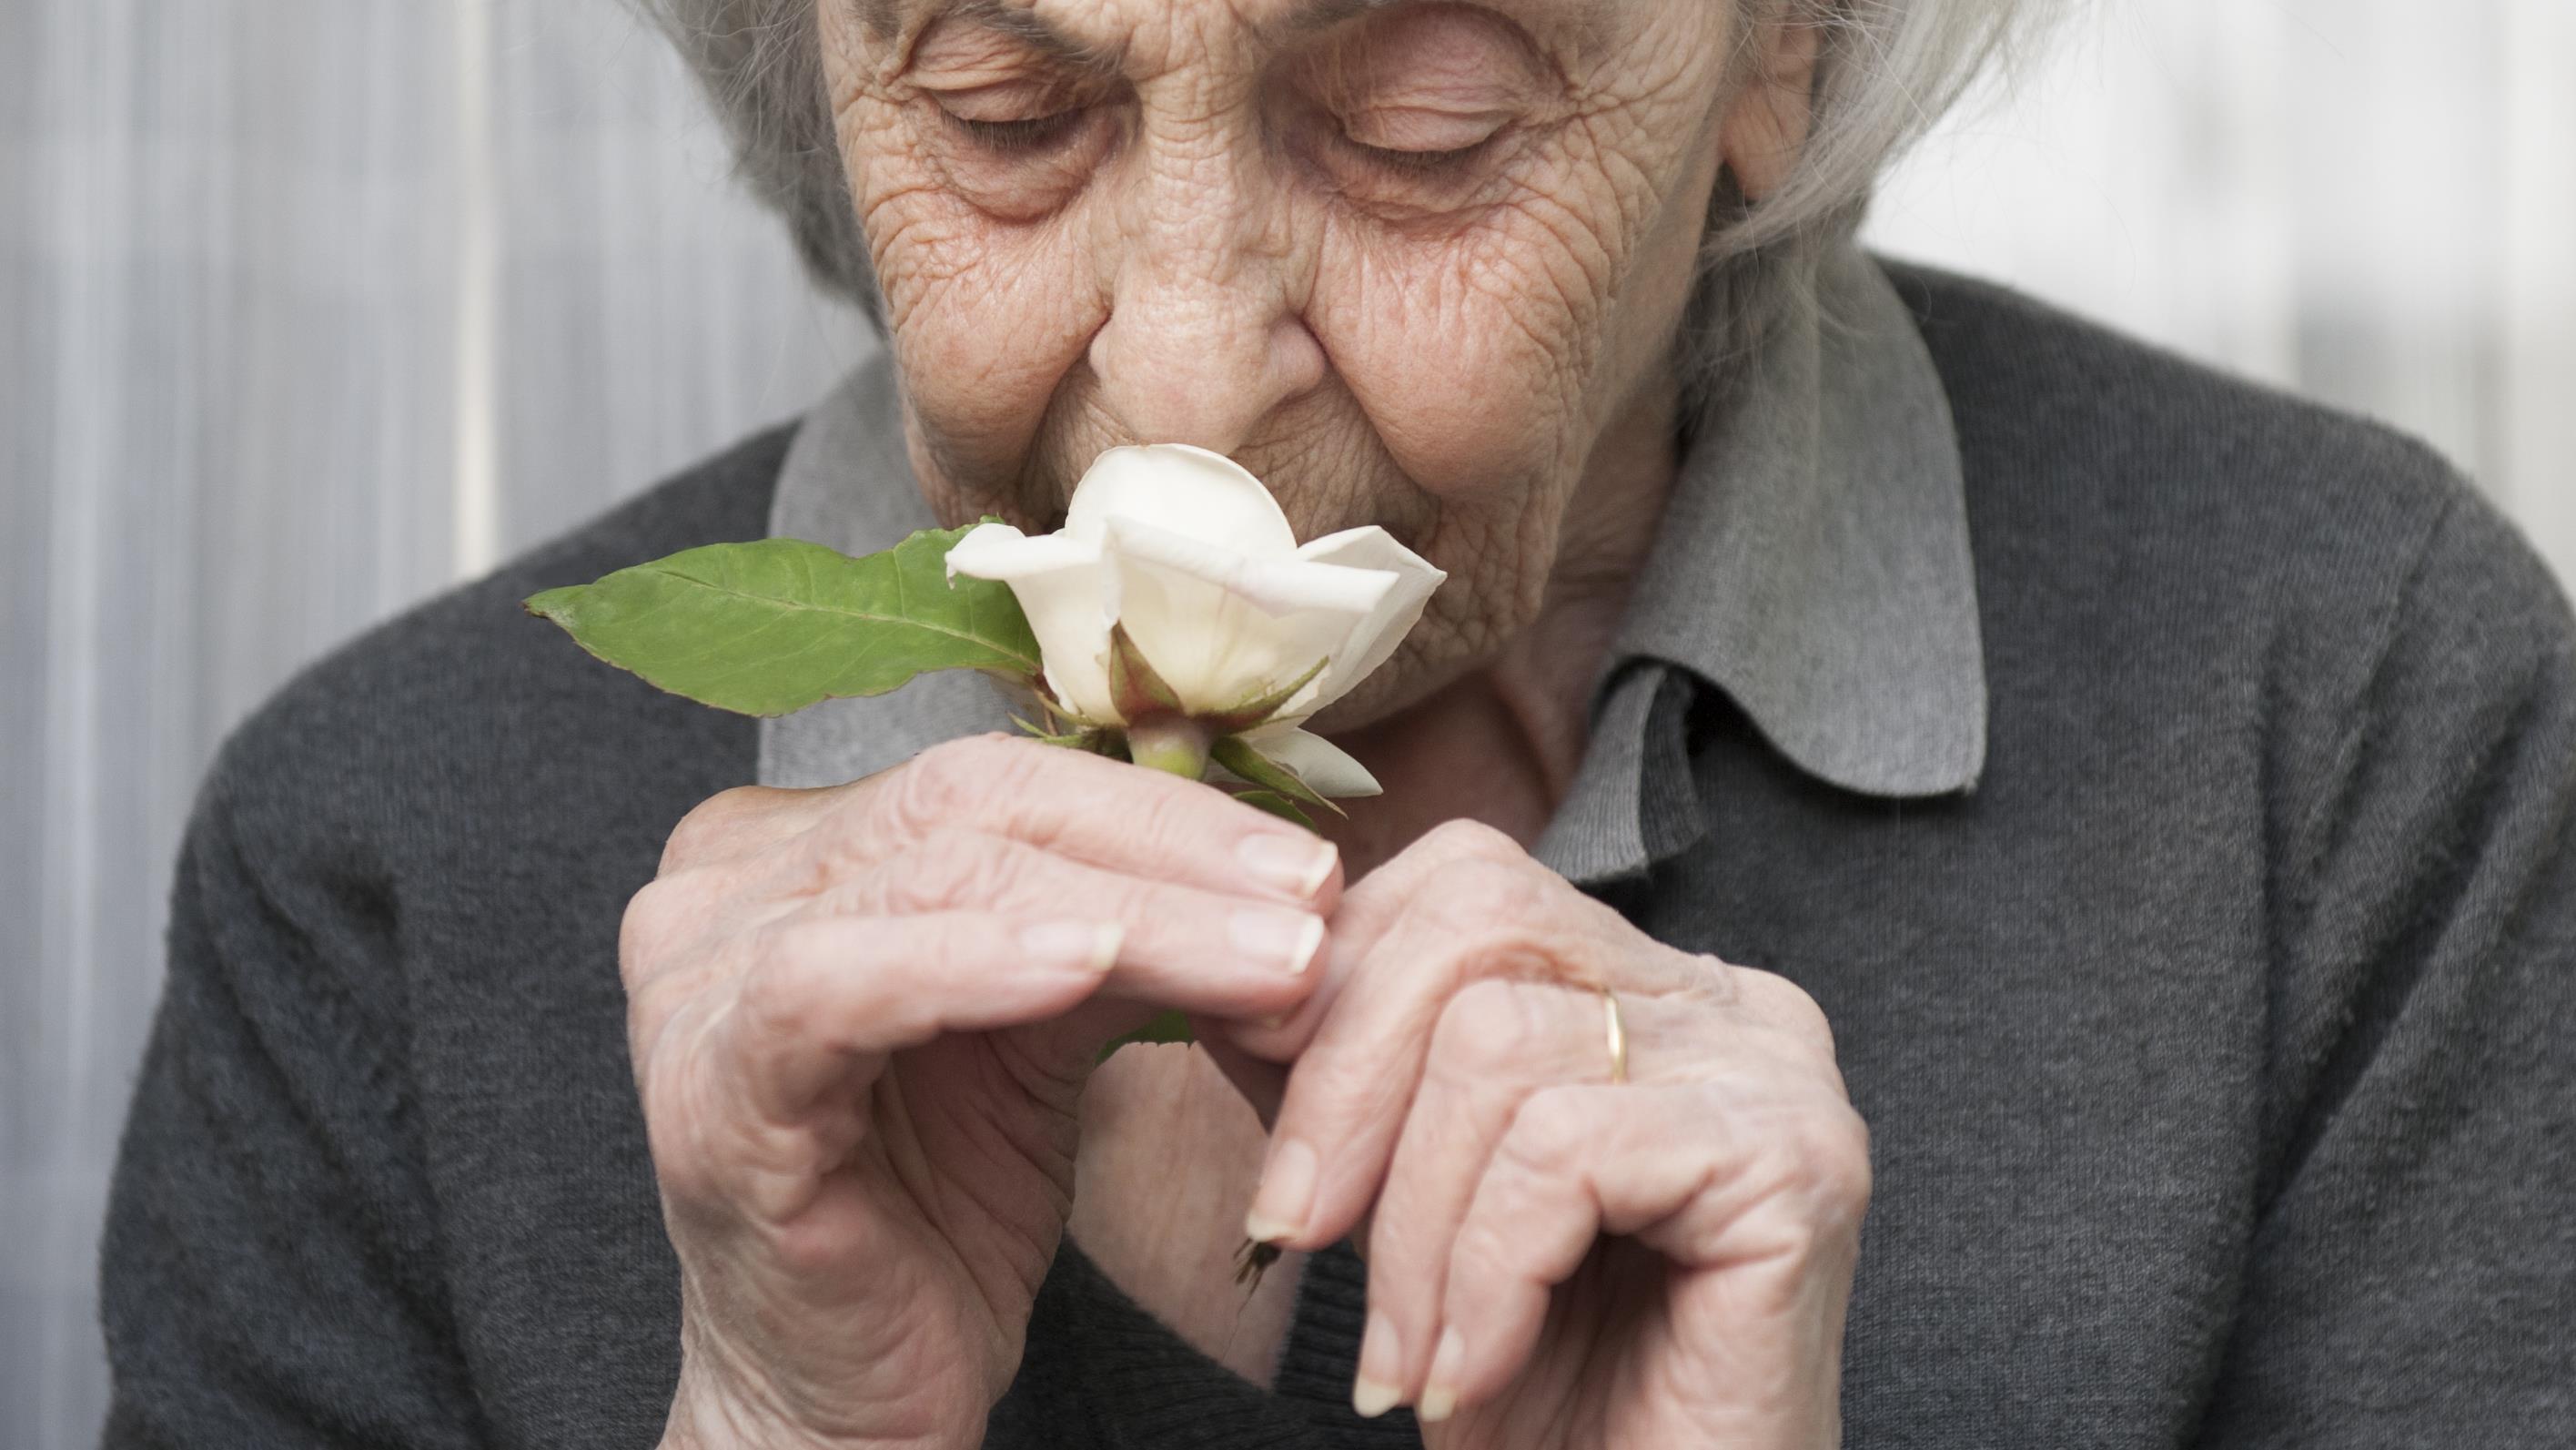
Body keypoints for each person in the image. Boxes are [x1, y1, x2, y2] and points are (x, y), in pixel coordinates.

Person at [97, 0, 2576, 1446]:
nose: (1175, 378)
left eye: (1422, 133)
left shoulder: (2344, 711)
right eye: (1001, 107)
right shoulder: (378, 876)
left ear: (1778, 47)